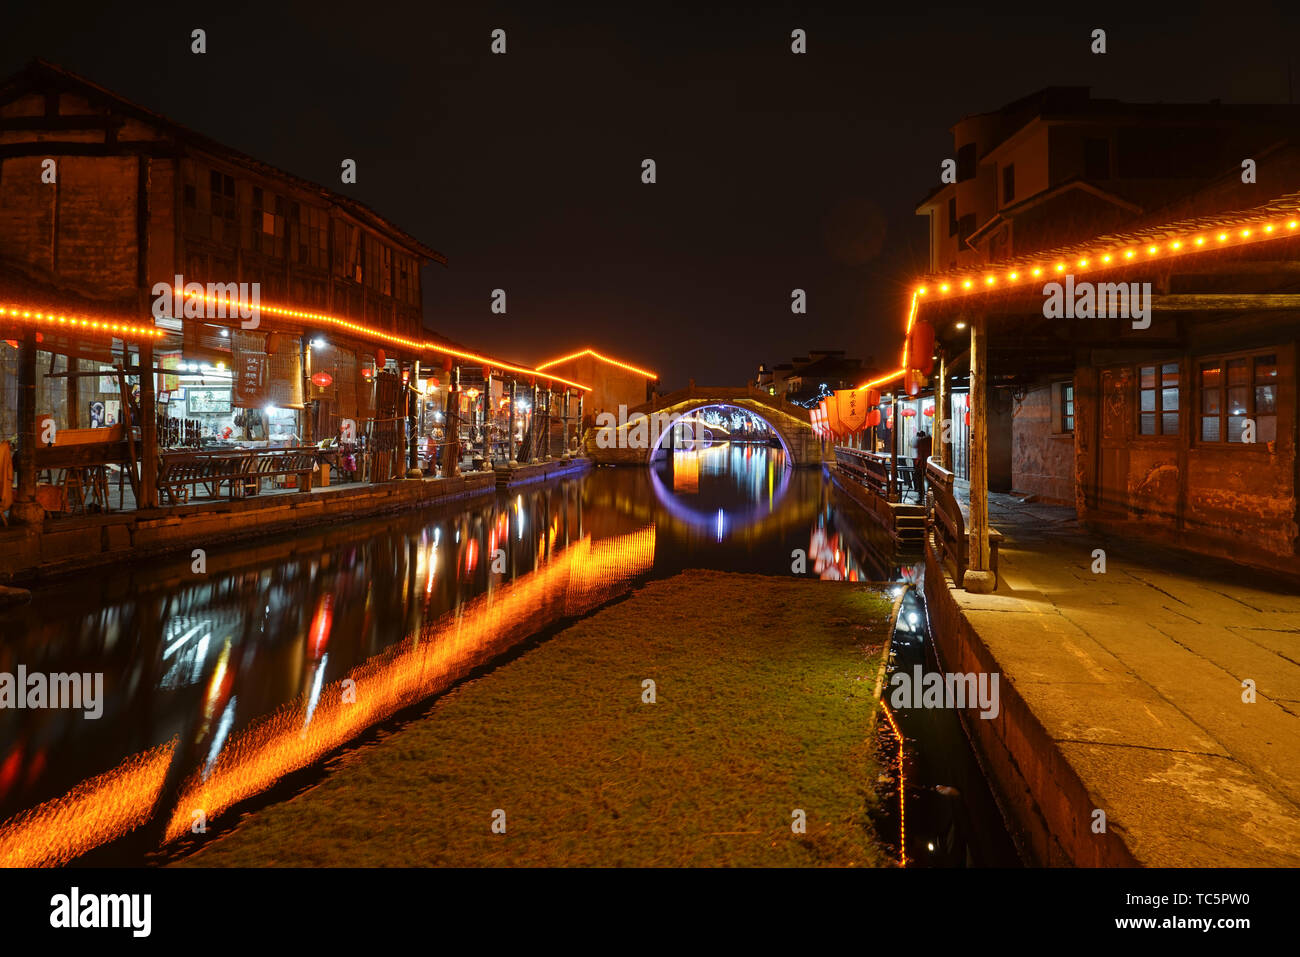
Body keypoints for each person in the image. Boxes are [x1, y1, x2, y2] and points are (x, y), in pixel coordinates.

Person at [914, 429, 933, 500]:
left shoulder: (921, 442)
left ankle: (921, 494)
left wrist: (917, 463)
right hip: (929, 464)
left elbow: (920, 454)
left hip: (922, 464)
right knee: (929, 481)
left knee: (919, 480)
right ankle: (928, 495)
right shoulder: (929, 441)